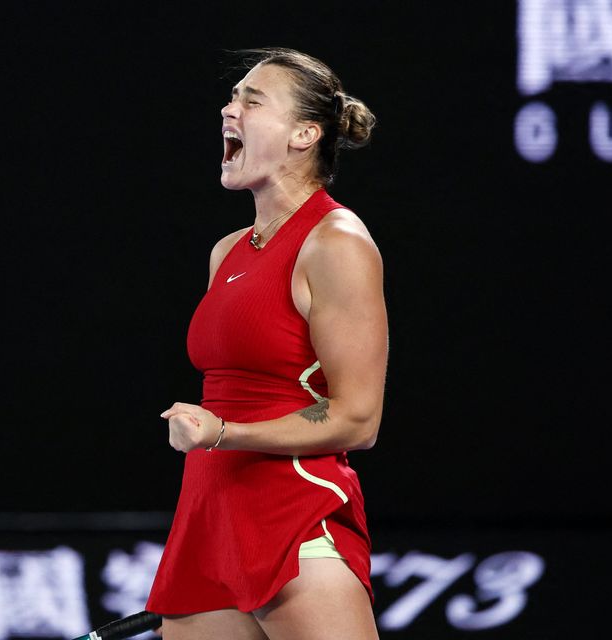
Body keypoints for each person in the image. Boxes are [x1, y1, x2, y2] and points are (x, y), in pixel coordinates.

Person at [147, 48, 388, 640]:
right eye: (232, 98)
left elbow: (358, 419)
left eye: (252, 101)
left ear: (304, 134)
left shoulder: (336, 243)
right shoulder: (227, 251)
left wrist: (225, 434)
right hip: (209, 519)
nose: (228, 110)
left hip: (293, 519)